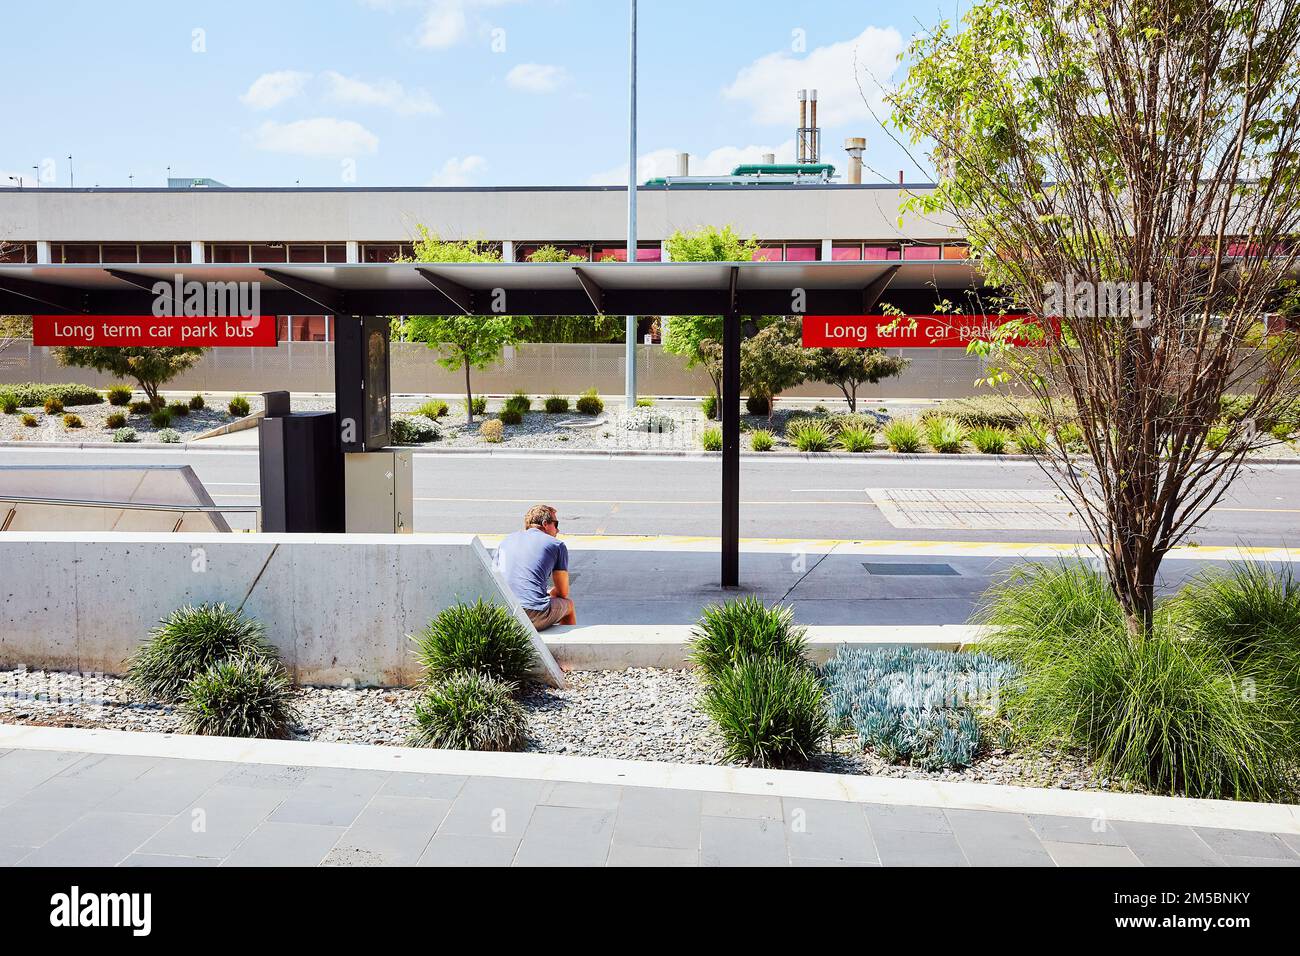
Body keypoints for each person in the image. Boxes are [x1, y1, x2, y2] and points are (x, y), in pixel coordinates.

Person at [494, 504, 576, 630]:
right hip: (533, 613)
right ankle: (569, 647)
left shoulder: (506, 540)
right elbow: (563, 592)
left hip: (503, 612)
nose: (558, 530)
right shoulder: (556, 545)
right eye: (556, 524)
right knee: (568, 605)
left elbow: (496, 578)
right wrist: (551, 593)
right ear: (545, 524)